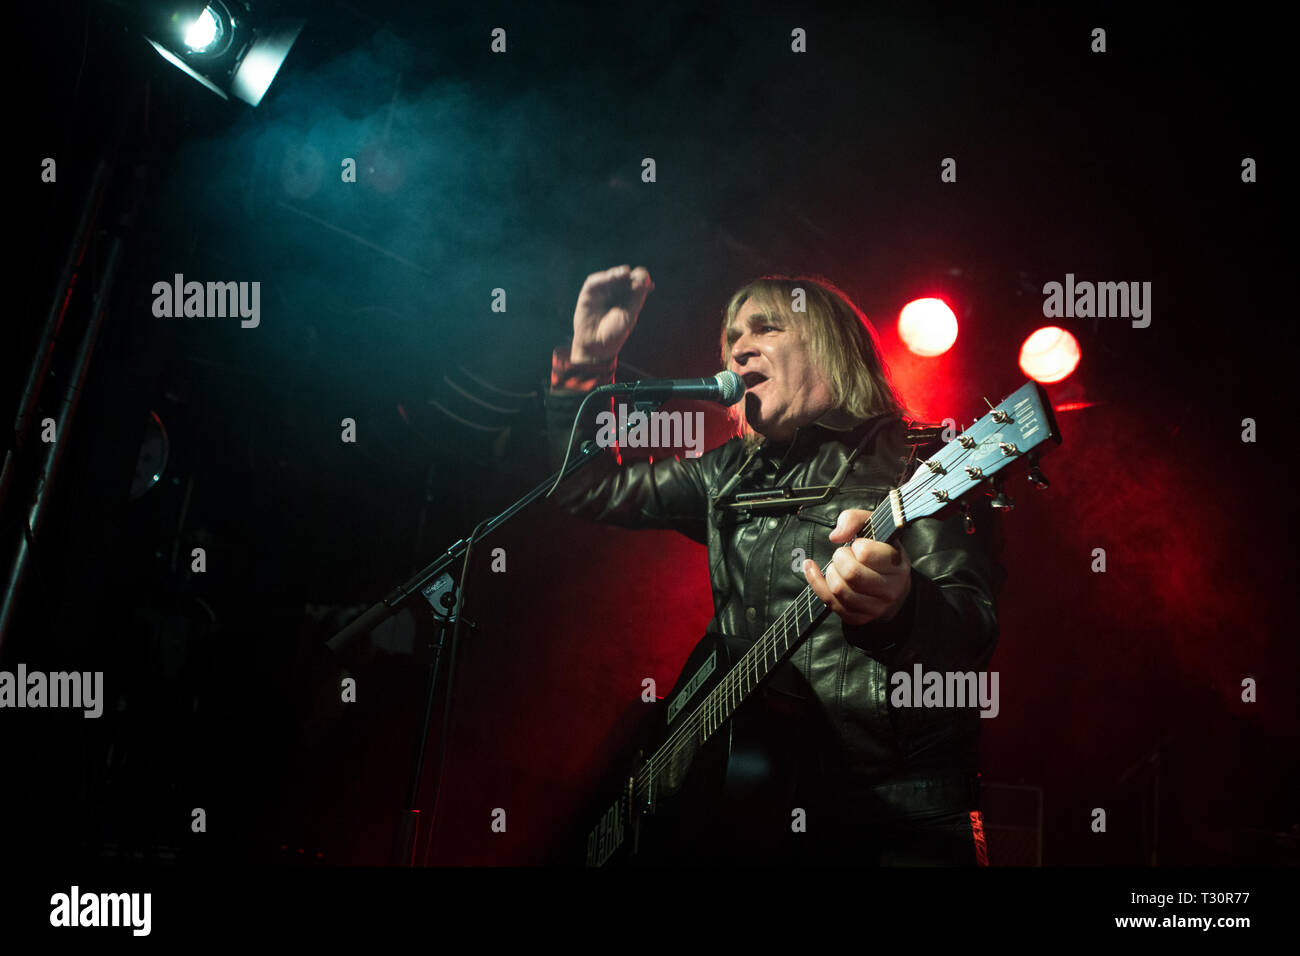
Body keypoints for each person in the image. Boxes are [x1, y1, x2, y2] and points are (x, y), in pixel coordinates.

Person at [545, 264, 1004, 866]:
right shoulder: (728, 472)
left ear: (831, 348)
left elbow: (971, 635)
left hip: (893, 819)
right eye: (732, 336)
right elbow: (586, 488)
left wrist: (902, 608)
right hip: (760, 815)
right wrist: (586, 362)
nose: (739, 347)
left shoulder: (922, 461)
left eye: (767, 328)